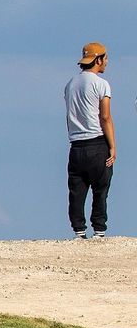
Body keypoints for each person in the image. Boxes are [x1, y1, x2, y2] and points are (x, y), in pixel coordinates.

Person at [65, 42, 116, 238]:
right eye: (105, 58)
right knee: (101, 188)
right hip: (96, 142)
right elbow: (105, 117)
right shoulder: (101, 84)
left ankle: (79, 231)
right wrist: (112, 146)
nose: (106, 62)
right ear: (98, 59)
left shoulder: (70, 84)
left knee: (77, 191)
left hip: (76, 145)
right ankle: (99, 230)